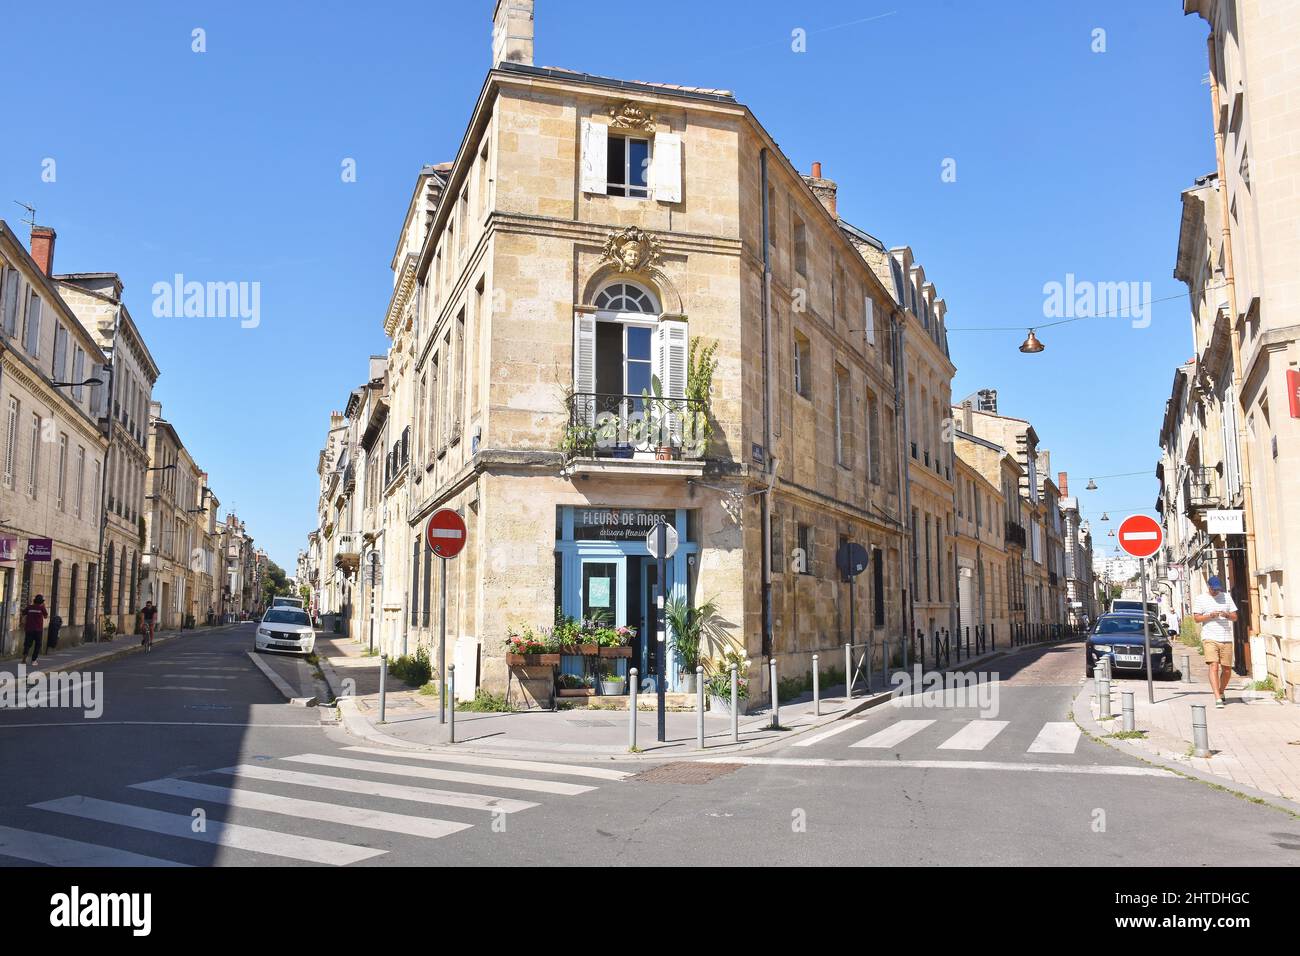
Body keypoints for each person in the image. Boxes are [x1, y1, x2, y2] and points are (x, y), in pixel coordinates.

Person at [1193, 575, 1238, 709]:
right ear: (1209, 586)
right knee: (1214, 665)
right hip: (1209, 637)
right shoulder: (1200, 599)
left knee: (1227, 670)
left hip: (1225, 638)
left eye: (1218, 589)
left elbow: (1235, 617)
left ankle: (1221, 691)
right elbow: (1196, 618)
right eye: (1214, 589)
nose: (1216, 591)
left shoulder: (1226, 597)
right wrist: (1210, 616)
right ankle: (1217, 697)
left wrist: (1226, 615)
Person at [21, 595, 48, 668]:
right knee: (37, 645)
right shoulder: (41, 608)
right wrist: (44, 607)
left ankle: (24, 659)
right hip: (38, 630)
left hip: (29, 629)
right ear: (41, 602)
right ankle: (34, 660)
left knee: (27, 644)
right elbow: (45, 616)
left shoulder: (29, 607)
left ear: (34, 600)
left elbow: (23, 613)